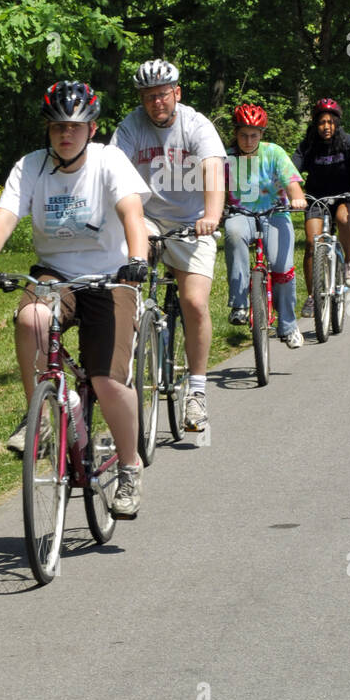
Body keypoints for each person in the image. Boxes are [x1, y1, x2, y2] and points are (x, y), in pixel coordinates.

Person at [0, 81, 151, 519]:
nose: (64, 135)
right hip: (56, 273)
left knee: (105, 381)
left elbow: (131, 214)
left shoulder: (110, 160)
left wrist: (136, 259)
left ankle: (129, 464)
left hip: (110, 276)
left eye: (74, 127)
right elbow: (5, 216)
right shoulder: (31, 166)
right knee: (30, 318)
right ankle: (42, 418)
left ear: (92, 128)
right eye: (56, 128)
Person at [111, 59, 225, 432]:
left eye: (162, 94)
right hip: (147, 217)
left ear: (176, 93)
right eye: (148, 97)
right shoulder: (131, 126)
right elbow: (111, 169)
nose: (156, 102)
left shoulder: (196, 125)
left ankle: (196, 391)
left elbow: (212, 169)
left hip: (193, 222)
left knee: (193, 302)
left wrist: (211, 215)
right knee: (126, 284)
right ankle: (126, 358)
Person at [223, 103, 308, 348]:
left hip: (276, 213)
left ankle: (288, 326)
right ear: (236, 134)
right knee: (233, 232)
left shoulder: (274, 153)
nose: (248, 140)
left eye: (253, 135)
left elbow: (291, 181)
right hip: (242, 214)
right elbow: (216, 189)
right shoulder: (227, 158)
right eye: (243, 135)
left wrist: (297, 197)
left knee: (283, 267)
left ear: (261, 134)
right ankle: (239, 305)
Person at [292, 98, 350, 317]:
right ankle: (312, 297)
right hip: (316, 197)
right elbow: (291, 170)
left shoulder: (349, 142)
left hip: (346, 195)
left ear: (337, 123)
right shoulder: (308, 145)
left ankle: (349, 259)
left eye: (330, 122)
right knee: (311, 243)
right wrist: (289, 189)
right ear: (315, 125)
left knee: (343, 218)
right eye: (321, 122)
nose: (326, 126)